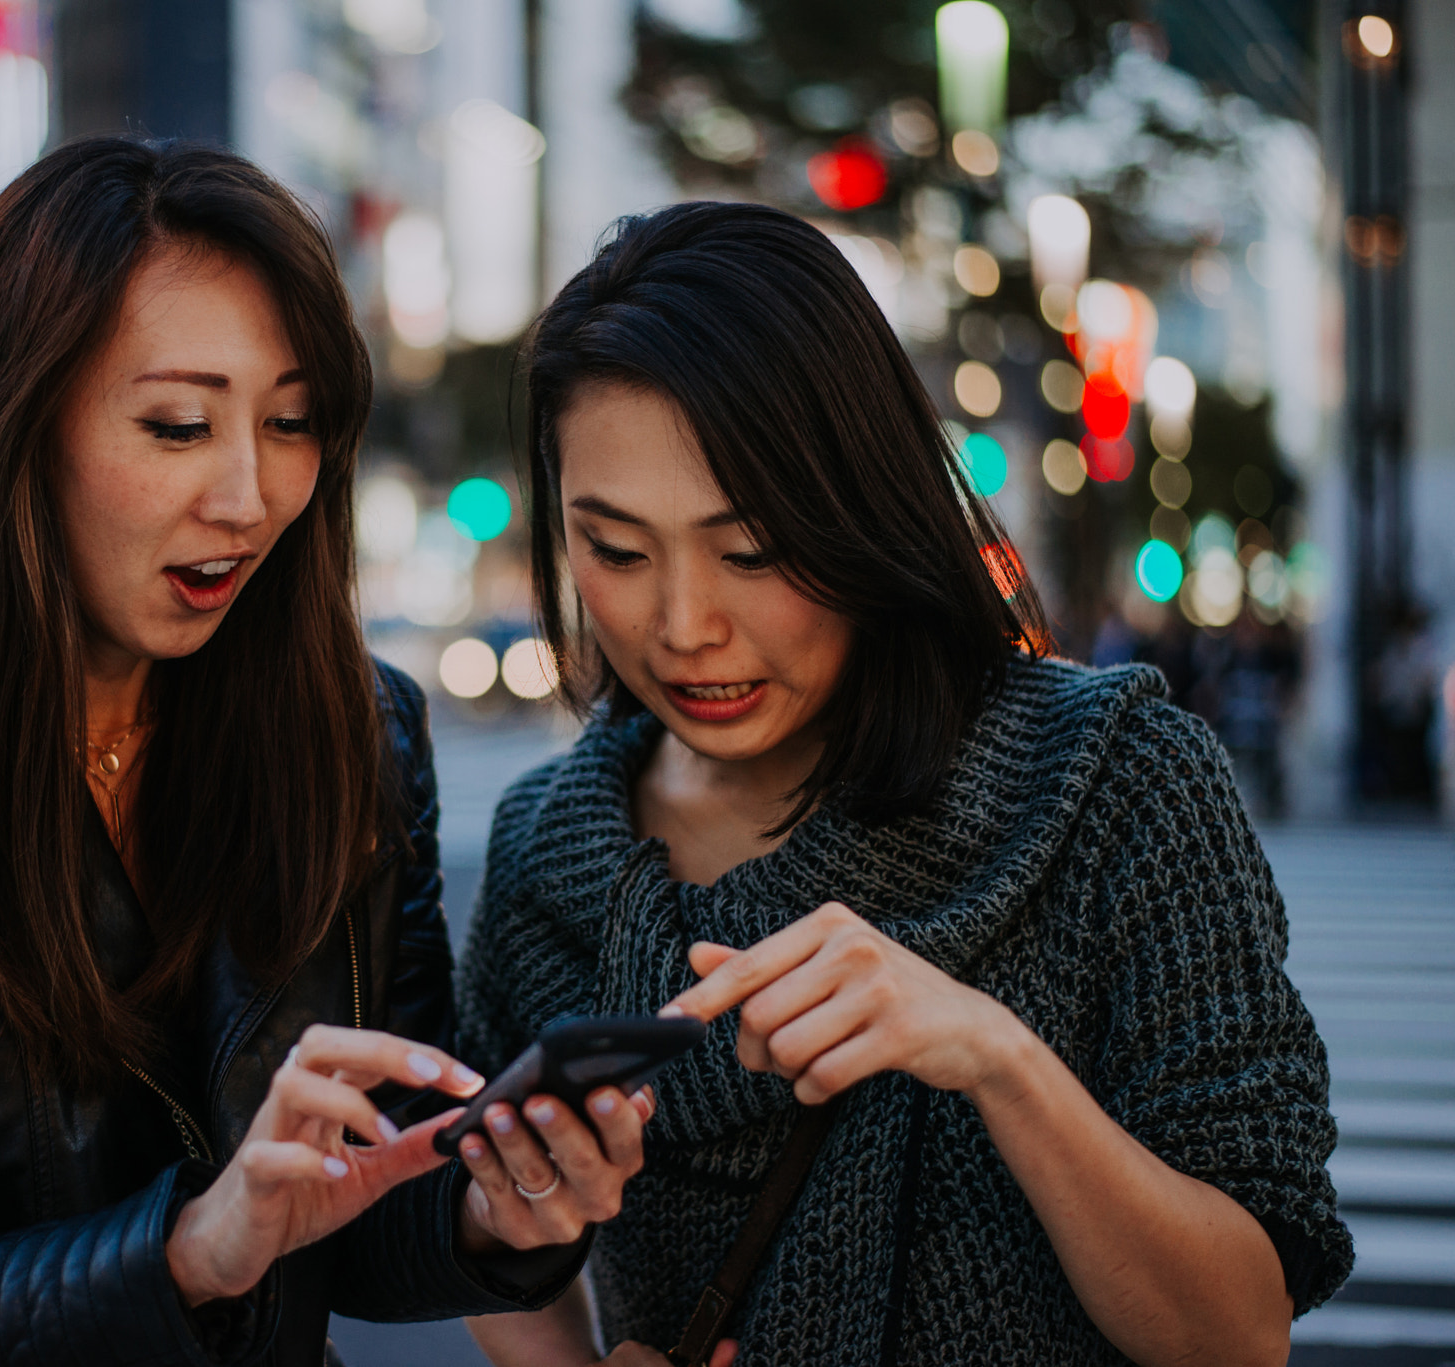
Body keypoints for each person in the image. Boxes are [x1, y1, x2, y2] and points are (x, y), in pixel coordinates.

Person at [0, 138, 649, 1367]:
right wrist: (194, 1249)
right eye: (179, 424)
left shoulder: (353, 732)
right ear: (13, 421)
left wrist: (494, 1206)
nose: (249, 494)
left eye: (291, 421)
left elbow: (361, 1212)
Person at [456, 202, 1351, 1367]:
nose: (682, 627)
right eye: (616, 550)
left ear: (862, 505)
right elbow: (487, 1223)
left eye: (752, 549)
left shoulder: (1112, 786)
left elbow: (1238, 1331)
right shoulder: (547, 848)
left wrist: (997, 1058)